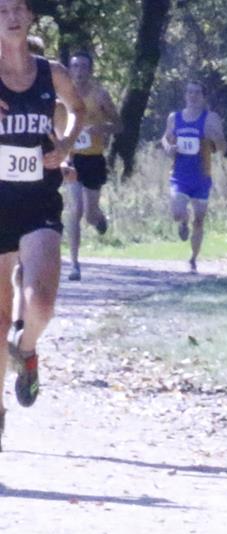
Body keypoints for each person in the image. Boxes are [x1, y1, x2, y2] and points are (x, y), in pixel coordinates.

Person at [0, 0, 82, 446]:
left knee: (42, 302)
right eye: (2, 10)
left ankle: (26, 349)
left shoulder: (52, 73)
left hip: (37, 200)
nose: (11, 17)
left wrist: (65, 145)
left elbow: (77, 109)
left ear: (31, 16)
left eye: (18, 9)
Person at [60, 52, 115, 282]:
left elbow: (119, 124)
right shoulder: (62, 96)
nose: (79, 71)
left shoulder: (100, 95)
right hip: (72, 159)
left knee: (90, 214)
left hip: (94, 159)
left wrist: (101, 129)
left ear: (90, 70)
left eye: (83, 66)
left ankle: (99, 219)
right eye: (75, 67)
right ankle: (74, 264)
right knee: (75, 210)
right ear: (69, 70)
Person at [160, 79, 224, 273]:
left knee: (200, 220)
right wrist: (168, 147)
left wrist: (215, 137)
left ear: (203, 97)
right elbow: (165, 137)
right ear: (185, 95)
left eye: (197, 93)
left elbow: (222, 147)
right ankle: (183, 221)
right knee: (177, 212)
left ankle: (193, 259)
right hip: (179, 175)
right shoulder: (175, 117)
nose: (193, 96)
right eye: (189, 92)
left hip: (202, 177)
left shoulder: (210, 118)